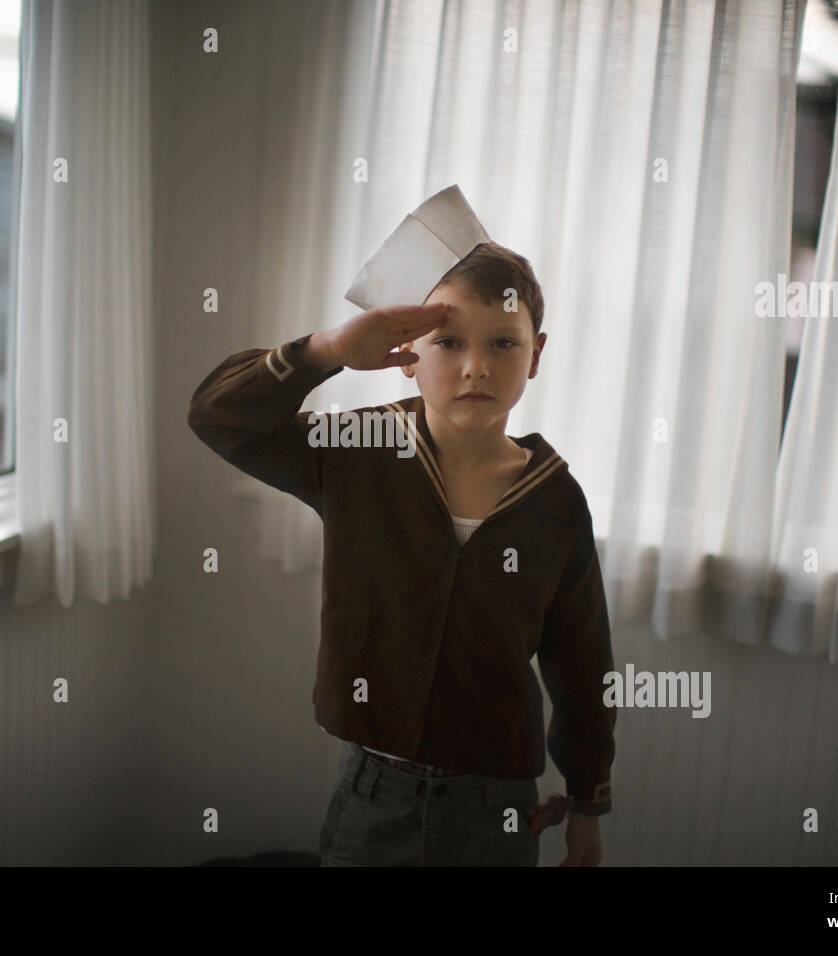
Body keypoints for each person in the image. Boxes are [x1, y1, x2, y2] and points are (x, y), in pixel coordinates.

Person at [187, 241, 615, 866]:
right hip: (371, 796)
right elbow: (217, 415)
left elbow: (582, 661)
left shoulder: (556, 498)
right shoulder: (359, 448)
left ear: (536, 355)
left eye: (502, 343)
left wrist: (586, 805)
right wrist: (327, 350)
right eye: (448, 342)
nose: (476, 367)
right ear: (409, 356)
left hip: (493, 806)